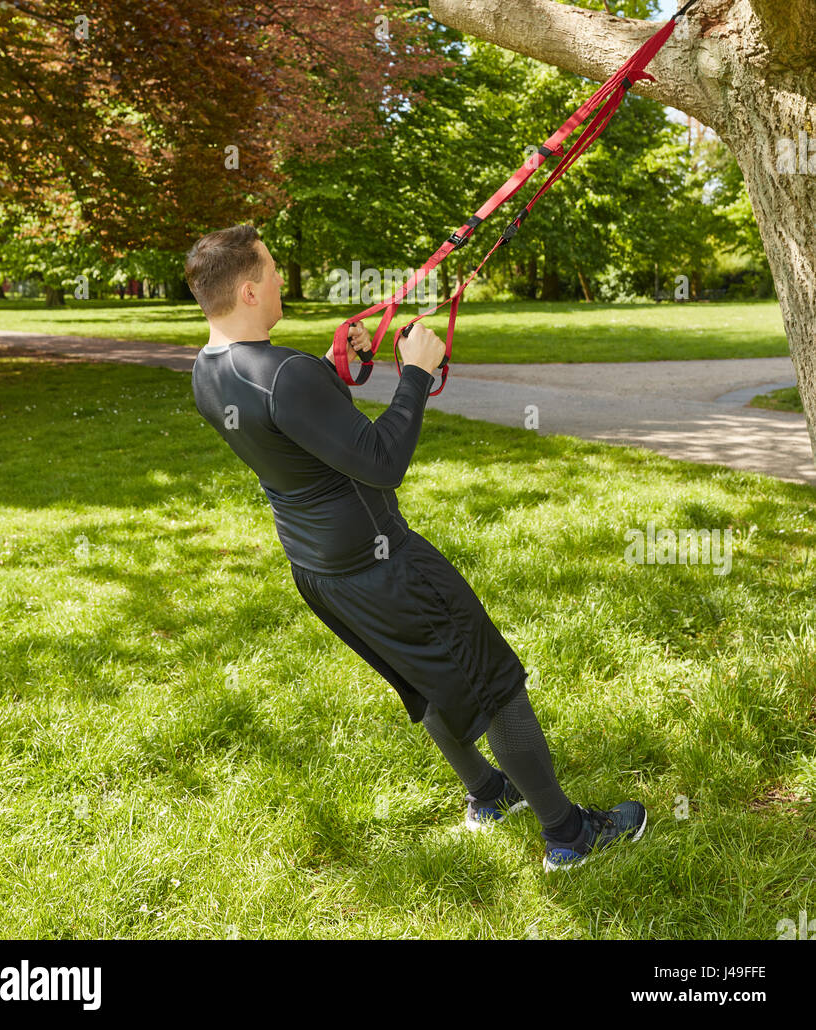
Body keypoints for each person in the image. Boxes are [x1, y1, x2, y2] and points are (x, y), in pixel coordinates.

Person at [185, 223, 647, 872]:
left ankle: (488, 794)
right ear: (252, 288)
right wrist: (415, 376)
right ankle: (569, 835)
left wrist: (328, 367)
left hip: (321, 575)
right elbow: (379, 462)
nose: (283, 277)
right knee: (493, 685)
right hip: (383, 566)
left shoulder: (209, 372)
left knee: (425, 683)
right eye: (274, 268)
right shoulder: (285, 374)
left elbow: (292, 420)